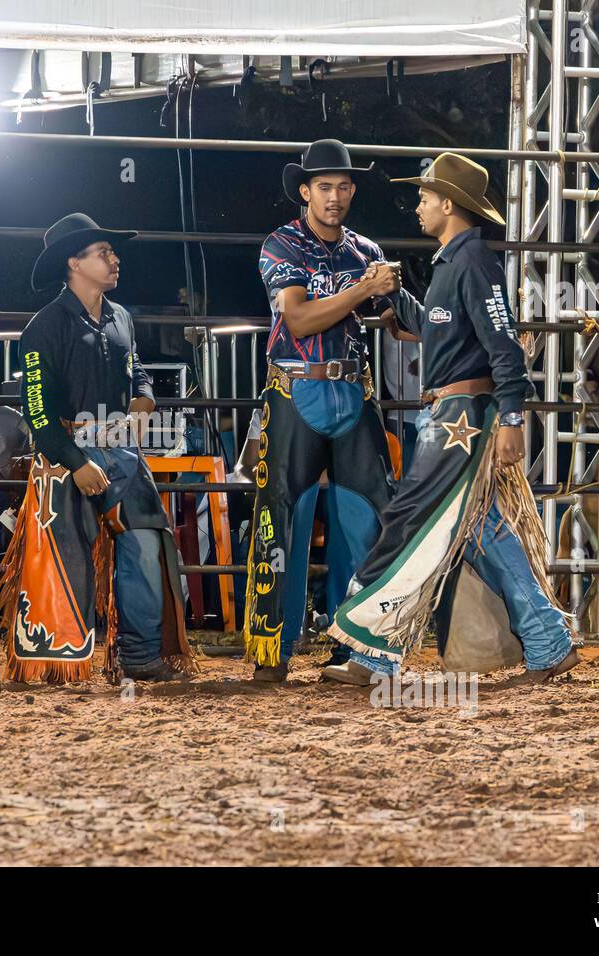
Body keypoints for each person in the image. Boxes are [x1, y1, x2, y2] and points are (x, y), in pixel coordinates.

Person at [324, 152, 578, 686]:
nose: (417, 207)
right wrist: (401, 301)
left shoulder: (471, 263)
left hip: (460, 416)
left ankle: (374, 650)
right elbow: (448, 333)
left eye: (423, 197)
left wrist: (511, 414)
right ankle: (547, 638)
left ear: (447, 202)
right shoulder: (455, 262)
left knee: (409, 519)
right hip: (453, 411)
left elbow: (503, 345)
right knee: (476, 528)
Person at [0, 213, 194, 684]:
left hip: (121, 451)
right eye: (103, 253)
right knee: (70, 555)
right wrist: (77, 462)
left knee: (145, 545)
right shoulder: (43, 328)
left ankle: (140, 655)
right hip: (68, 456)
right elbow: (39, 416)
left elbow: (137, 370)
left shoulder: (121, 316)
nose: (114, 259)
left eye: (111, 252)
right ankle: (65, 661)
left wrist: (143, 402)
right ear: (73, 263)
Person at [244, 139, 399, 683]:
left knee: (365, 521)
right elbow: (300, 321)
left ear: (353, 191)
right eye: (324, 187)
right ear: (306, 192)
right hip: (295, 390)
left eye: (343, 187)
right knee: (284, 517)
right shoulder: (280, 245)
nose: (334, 197)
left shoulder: (367, 251)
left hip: (352, 390)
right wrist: (364, 290)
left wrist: (412, 307)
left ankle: (357, 649)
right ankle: (272, 651)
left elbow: (397, 319)